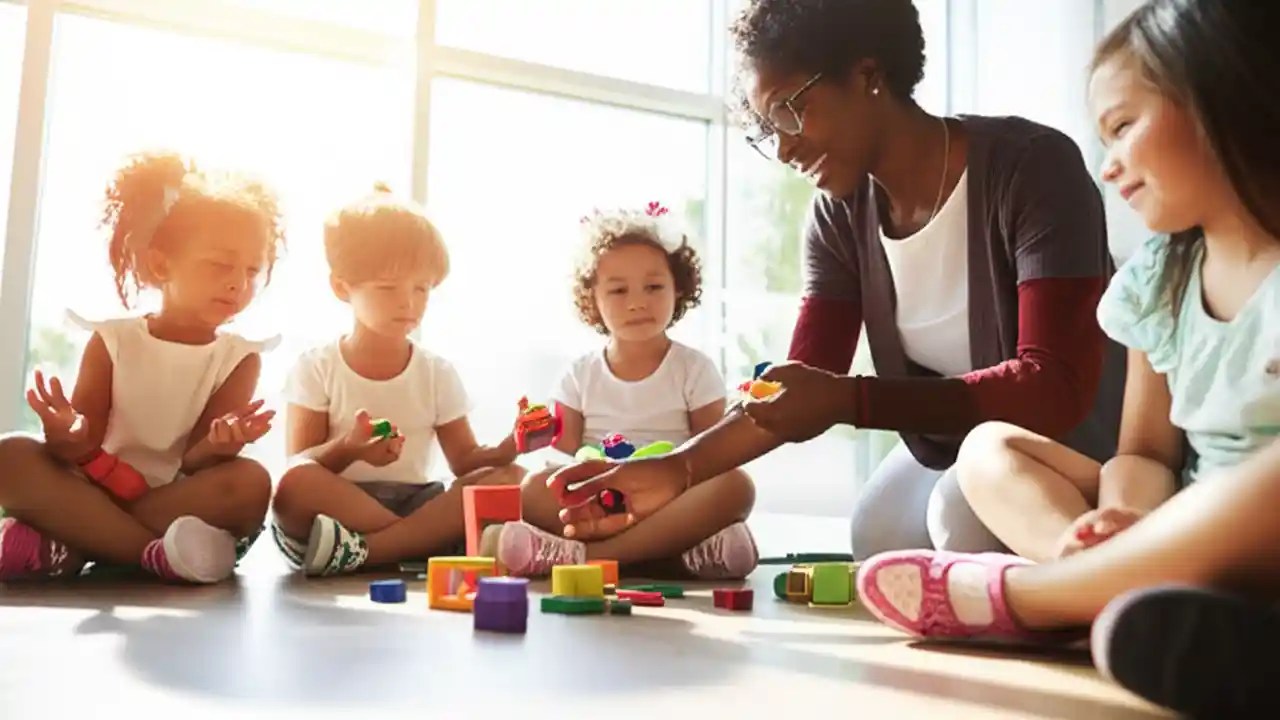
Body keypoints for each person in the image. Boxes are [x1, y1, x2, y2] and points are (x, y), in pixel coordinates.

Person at [551, 0, 1123, 559]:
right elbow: (799, 387)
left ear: (867, 74)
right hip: (953, 449)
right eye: (766, 128)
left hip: (1064, 441)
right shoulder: (839, 215)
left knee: (961, 519)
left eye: (789, 112)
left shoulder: (1032, 168)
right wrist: (677, 469)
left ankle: (1098, 563)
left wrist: (850, 399)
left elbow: (1052, 388)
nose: (782, 147)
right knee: (876, 535)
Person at [854, 1, 1280, 715]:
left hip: (1257, 533)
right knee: (988, 448)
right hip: (1180, 542)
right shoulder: (1162, 280)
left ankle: (1037, 596)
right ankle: (1104, 577)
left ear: (1218, 96)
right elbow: (1145, 451)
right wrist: (1125, 515)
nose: (1108, 166)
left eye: (1123, 127)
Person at [0, 150, 283, 583]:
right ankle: (153, 553)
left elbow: (196, 460)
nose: (238, 283)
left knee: (250, 482)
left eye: (252, 270)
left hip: (180, 498)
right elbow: (82, 443)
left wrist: (223, 444)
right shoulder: (113, 339)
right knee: (11, 454)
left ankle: (83, 541)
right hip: (97, 491)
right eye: (220, 265)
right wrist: (66, 435)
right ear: (160, 264)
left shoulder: (240, 357)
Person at [488, 204, 757, 579]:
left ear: (678, 288)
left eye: (653, 287)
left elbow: (713, 455)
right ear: (592, 300)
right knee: (533, 487)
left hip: (668, 499)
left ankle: (585, 559)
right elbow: (564, 457)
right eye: (618, 290)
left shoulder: (694, 369)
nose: (637, 302)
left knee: (735, 486)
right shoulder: (579, 374)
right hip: (598, 499)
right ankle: (675, 557)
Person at [271, 186, 523, 576]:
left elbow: (465, 463)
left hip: (415, 502)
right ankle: (415, 543)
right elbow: (303, 464)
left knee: (510, 479)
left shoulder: (436, 372)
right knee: (295, 482)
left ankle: (368, 552)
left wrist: (509, 446)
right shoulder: (317, 366)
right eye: (388, 288)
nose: (408, 303)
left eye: (421, 288)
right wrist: (351, 448)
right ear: (342, 287)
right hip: (339, 511)